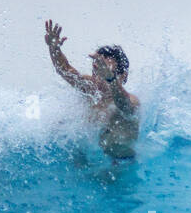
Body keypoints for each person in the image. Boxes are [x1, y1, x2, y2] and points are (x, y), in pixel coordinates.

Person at [44, 19, 140, 159]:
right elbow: (65, 70)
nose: (99, 79)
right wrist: (54, 49)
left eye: (106, 73)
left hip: (121, 163)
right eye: (97, 72)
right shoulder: (91, 88)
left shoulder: (131, 100)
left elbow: (125, 104)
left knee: (110, 145)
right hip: (91, 160)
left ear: (123, 76)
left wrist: (110, 79)